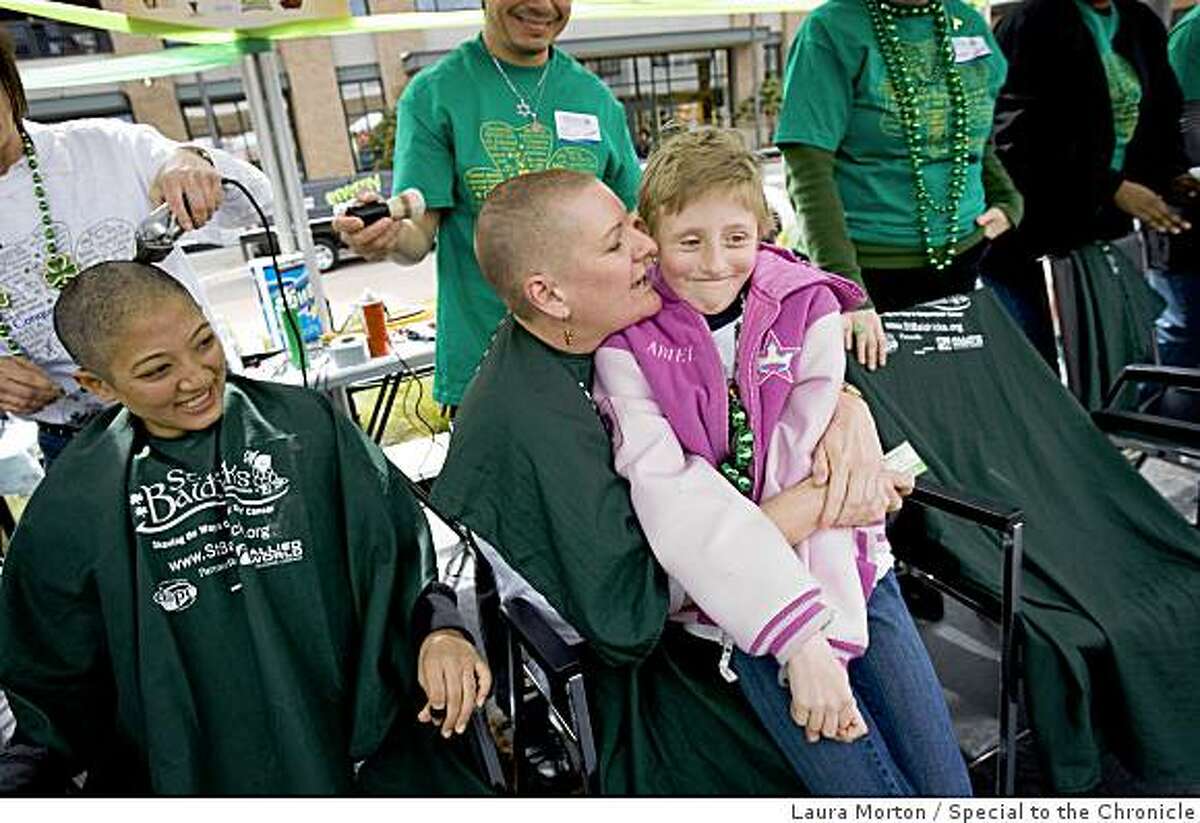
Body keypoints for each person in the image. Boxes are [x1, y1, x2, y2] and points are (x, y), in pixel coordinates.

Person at [432, 169, 917, 793]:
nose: (647, 246)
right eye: (616, 242)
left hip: (772, 575)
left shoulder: (605, 326)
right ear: (549, 295)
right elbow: (635, 608)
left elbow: (751, 387)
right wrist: (825, 500)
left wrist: (846, 404)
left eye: (634, 223)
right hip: (670, 670)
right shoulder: (528, 424)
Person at [0, 261, 492, 794]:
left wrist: (441, 630)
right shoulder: (77, 499)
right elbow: (51, 669)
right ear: (98, 385)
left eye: (204, 342)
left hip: (356, 752)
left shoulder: (306, 427)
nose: (196, 377)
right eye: (156, 370)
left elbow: (399, 560)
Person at [593, 128, 969, 795]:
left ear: (763, 232)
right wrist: (798, 633)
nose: (714, 262)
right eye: (689, 241)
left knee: (945, 782)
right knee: (868, 791)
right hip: (745, 603)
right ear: (648, 234)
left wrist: (851, 459)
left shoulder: (805, 302)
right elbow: (676, 497)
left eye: (736, 238)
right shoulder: (629, 346)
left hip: (852, 566)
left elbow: (812, 442)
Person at [333, 0, 641, 413]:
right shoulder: (435, 95)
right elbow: (415, 236)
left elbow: (636, 224)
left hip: (598, 362)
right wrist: (384, 238)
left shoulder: (595, 98)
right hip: (488, 367)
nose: (541, 5)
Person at [0, 34, 270, 465]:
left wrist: (194, 160)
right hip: (77, 443)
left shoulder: (105, 147)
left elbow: (256, 201)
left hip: (203, 408)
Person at [775, 0, 1022, 371]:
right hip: (872, 273)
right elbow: (807, 165)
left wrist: (1008, 200)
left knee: (951, 402)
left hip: (964, 261)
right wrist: (848, 291)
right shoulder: (831, 28)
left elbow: (975, 133)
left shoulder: (968, 22)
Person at [982, 0, 1197, 368]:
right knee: (1038, 368)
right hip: (1027, 230)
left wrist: (1171, 174)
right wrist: (1110, 186)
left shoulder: (1137, 21)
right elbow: (1016, 135)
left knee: (1110, 360)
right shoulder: (1032, 21)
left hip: (1096, 230)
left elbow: (1160, 109)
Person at [1146, 7, 1200, 367]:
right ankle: (1144, 419)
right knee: (1183, 330)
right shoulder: (1193, 33)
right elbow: (1186, 130)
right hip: (1184, 218)